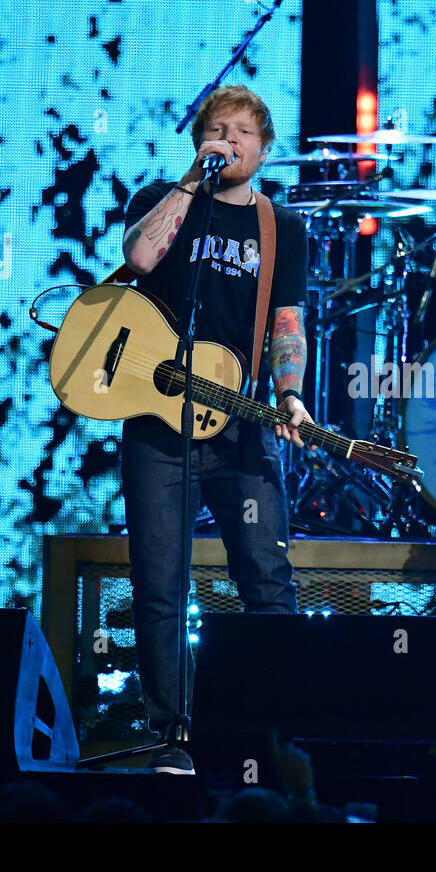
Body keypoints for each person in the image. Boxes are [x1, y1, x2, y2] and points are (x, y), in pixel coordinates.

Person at [120, 85, 310, 774]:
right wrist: (185, 184)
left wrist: (290, 393)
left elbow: (287, 321)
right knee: (160, 585)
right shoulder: (160, 200)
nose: (227, 139)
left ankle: (278, 735)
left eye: (241, 132)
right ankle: (173, 733)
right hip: (157, 424)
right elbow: (139, 262)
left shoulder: (280, 226)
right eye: (215, 129)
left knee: (266, 578)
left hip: (242, 425)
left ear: (263, 148)